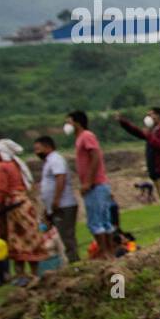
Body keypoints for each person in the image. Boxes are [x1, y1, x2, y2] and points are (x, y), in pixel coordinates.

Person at [0, 138, 48, 285]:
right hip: (25, 204)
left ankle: (21, 275)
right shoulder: (16, 165)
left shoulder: (0, 167)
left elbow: (0, 190)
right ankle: (34, 274)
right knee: (31, 238)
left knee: (16, 240)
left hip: (13, 206)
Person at [117, 107, 160, 233]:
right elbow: (138, 132)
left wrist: (149, 136)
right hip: (157, 174)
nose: (148, 117)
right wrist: (124, 123)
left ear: (158, 116)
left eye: (151, 114)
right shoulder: (153, 132)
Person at [66, 110, 116, 259]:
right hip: (98, 185)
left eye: (69, 121)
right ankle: (109, 252)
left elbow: (95, 157)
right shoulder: (81, 138)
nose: (67, 125)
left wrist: (88, 181)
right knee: (104, 221)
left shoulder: (86, 136)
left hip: (95, 186)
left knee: (96, 221)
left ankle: (104, 252)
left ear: (77, 122)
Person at [33, 135, 79, 263]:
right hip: (56, 206)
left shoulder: (55, 159)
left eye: (38, 149)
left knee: (66, 237)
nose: (36, 153)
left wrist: (56, 200)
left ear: (48, 147)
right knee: (61, 237)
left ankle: (74, 262)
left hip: (63, 204)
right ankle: (68, 262)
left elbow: (60, 177)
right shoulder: (49, 162)